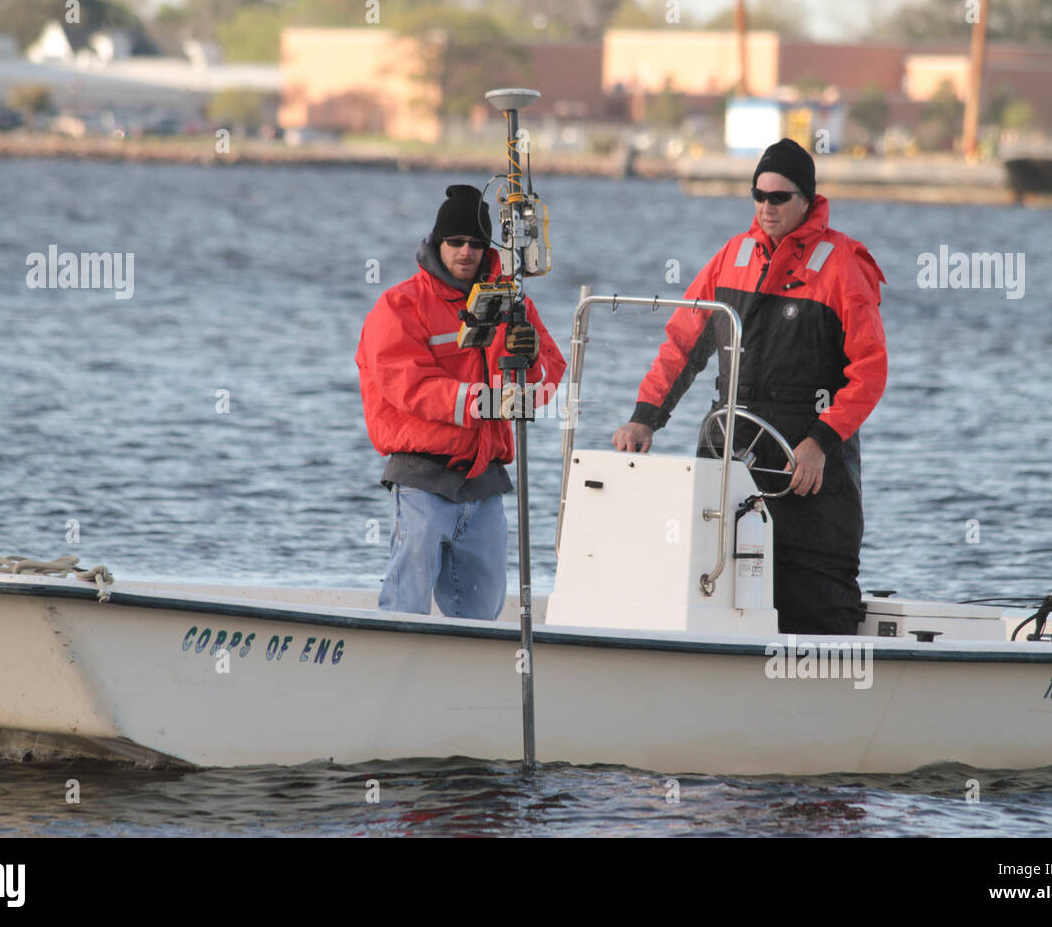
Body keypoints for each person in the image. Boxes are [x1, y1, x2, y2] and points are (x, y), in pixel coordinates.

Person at [611, 138, 887, 635]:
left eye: (778, 197)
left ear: (806, 199)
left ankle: (827, 695)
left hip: (809, 460)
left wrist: (820, 443)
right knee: (714, 579)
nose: (766, 207)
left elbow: (869, 372)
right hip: (731, 448)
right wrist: (645, 415)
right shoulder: (731, 257)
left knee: (816, 593)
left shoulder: (844, 265)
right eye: (758, 195)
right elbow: (682, 342)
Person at [357, 184, 566, 619]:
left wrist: (527, 362)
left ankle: (470, 679)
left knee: (484, 610)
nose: (466, 251)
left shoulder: (514, 302)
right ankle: (390, 667)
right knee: (405, 603)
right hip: (422, 479)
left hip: (485, 484)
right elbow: (404, 382)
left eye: (475, 242)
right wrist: (480, 402)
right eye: (455, 241)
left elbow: (548, 381)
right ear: (438, 242)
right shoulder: (399, 306)